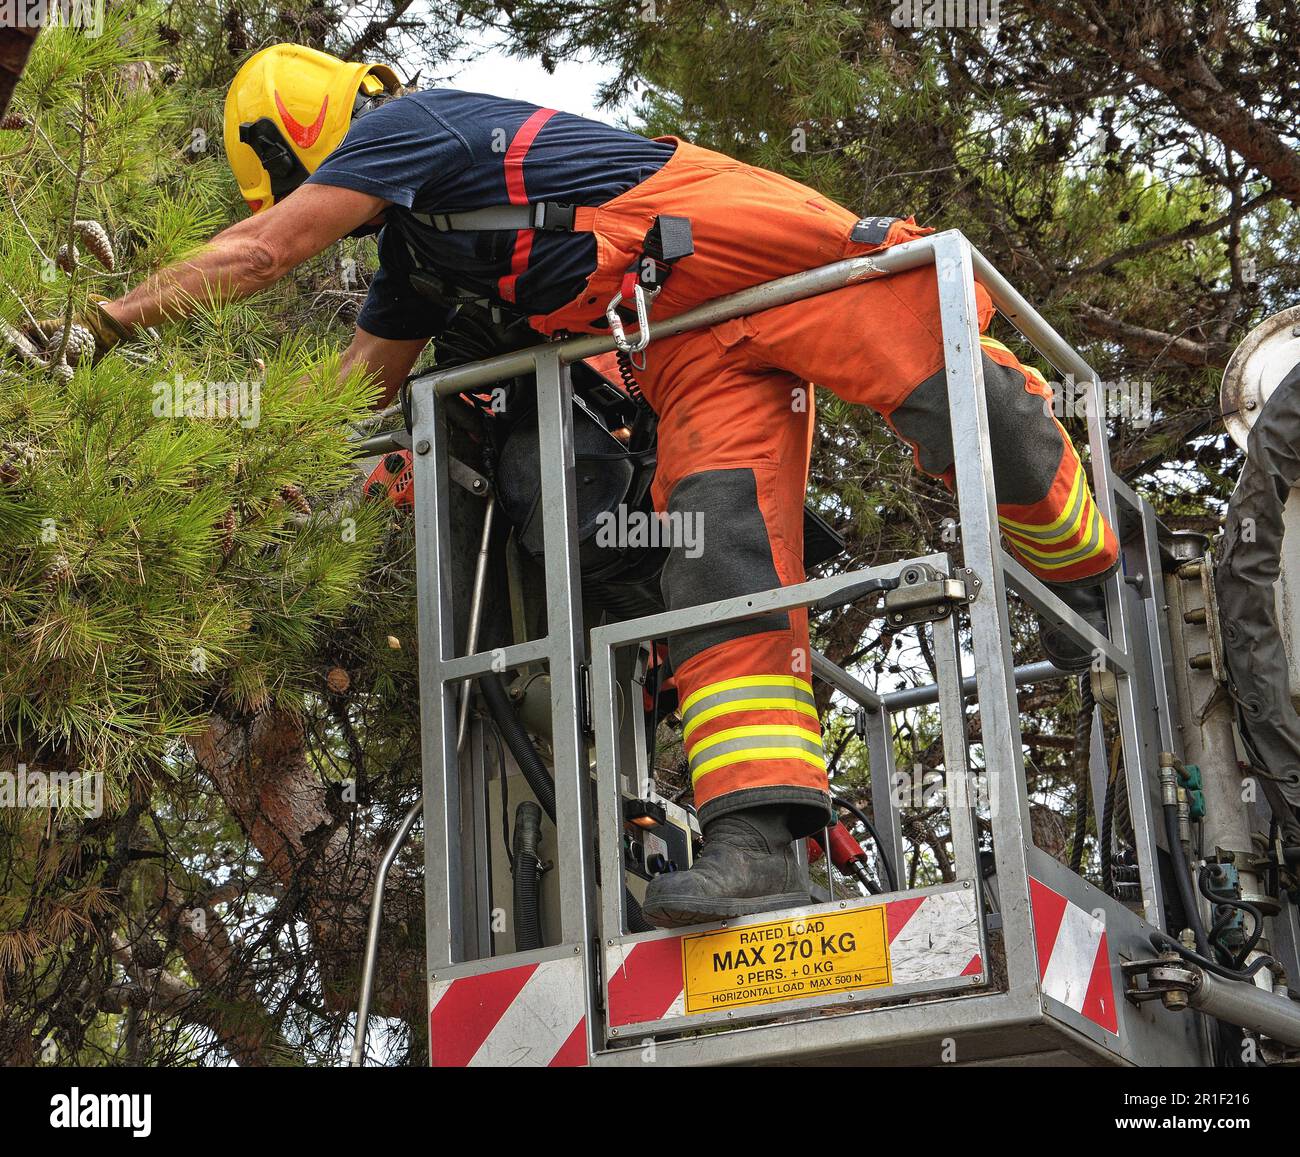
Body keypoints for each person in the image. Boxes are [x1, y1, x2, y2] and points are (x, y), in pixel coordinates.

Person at [37, 43, 1118, 927]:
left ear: (305, 142)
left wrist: (112, 322)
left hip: (753, 247)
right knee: (713, 555)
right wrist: (241, 474)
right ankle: (756, 837)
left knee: (955, 386)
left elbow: (264, 251)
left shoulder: (413, 127)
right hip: (683, 344)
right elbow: (349, 397)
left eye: (298, 180)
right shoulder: (413, 260)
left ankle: (1091, 571)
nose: (308, 204)